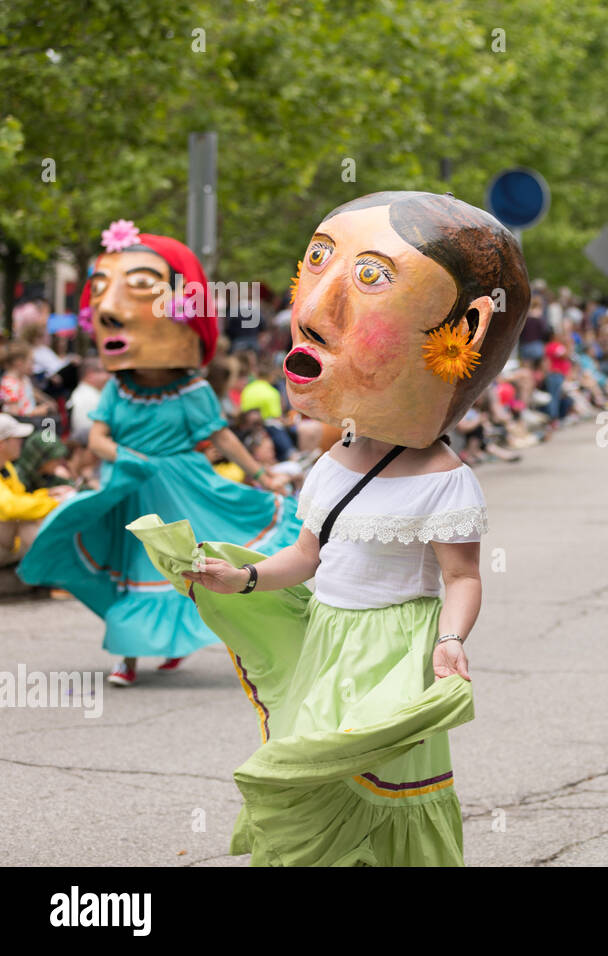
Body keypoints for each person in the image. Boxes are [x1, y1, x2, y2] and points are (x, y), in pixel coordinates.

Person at [130, 191, 529, 867]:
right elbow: (307, 556)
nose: (311, 312)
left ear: (464, 328)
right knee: (308, 778)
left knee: (380, 791)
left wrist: (451, 643)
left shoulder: (445, 480)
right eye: (315, 264)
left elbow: (462, 576)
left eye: (372, 277)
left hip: (397, 650)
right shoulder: (331, 462)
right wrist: (244, 577)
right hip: (326, 640)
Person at [17, 224, 299, 688]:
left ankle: (170, 644)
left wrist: (261, 475)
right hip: (130, 488)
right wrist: (123, 457)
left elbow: (223, 438)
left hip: (183, 488)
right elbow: (97, 439)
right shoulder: (119, 389)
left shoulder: (192, 390)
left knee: (183, 570)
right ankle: (126, 657)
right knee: (133, 567)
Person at [0, 414, 74, 566]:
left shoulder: (6, 467)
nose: (21, 442)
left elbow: (19, 497)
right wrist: (53, 502)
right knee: (28, 523)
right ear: (2, 444)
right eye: (16, 438)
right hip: (8, 538)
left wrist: (47, 494)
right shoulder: (16, 468)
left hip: (10, 540)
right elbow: (11, 508)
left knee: (33, 521)